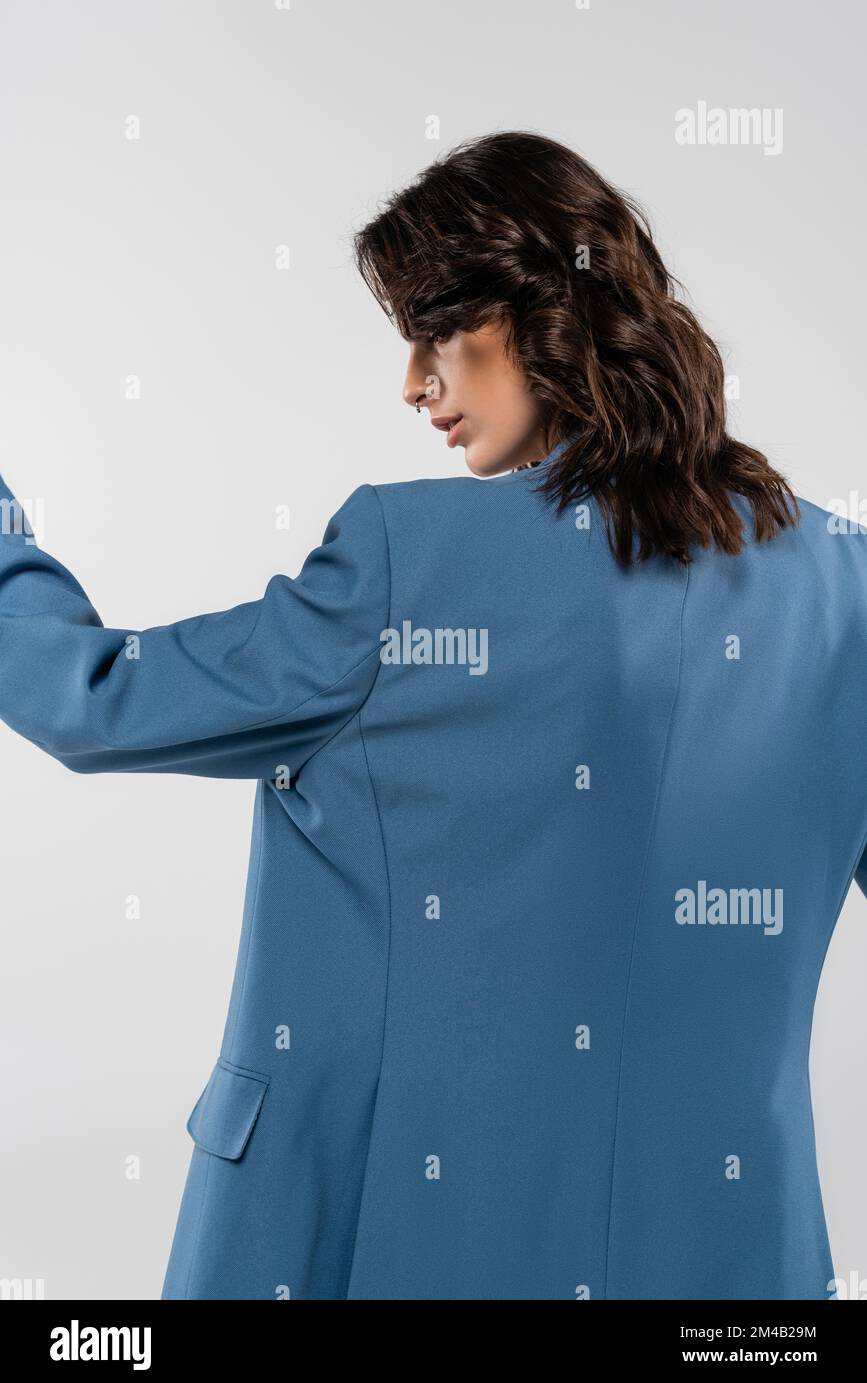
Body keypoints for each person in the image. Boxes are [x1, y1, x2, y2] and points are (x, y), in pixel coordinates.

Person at [1, 130, 865, 1300]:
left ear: (540, 309)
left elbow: (91, 700)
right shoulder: (841, 585)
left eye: (435, 334)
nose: (413, 384)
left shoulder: (408, 560)